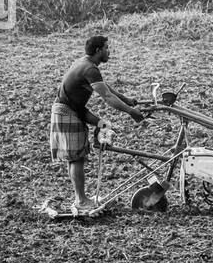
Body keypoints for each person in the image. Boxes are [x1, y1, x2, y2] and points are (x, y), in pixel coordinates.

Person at [50, 35, 146, 212]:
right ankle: (81, 200)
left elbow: (106, 88)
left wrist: (127, 100)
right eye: (106, 48)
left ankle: (83, 198)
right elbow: (107, 97)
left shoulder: (85, 64)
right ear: (98, 50)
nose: (109, 51)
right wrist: (131, 112)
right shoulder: (89, 69)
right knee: (76, 158)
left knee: (103, 126)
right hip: (67, 111)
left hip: (75, 110)